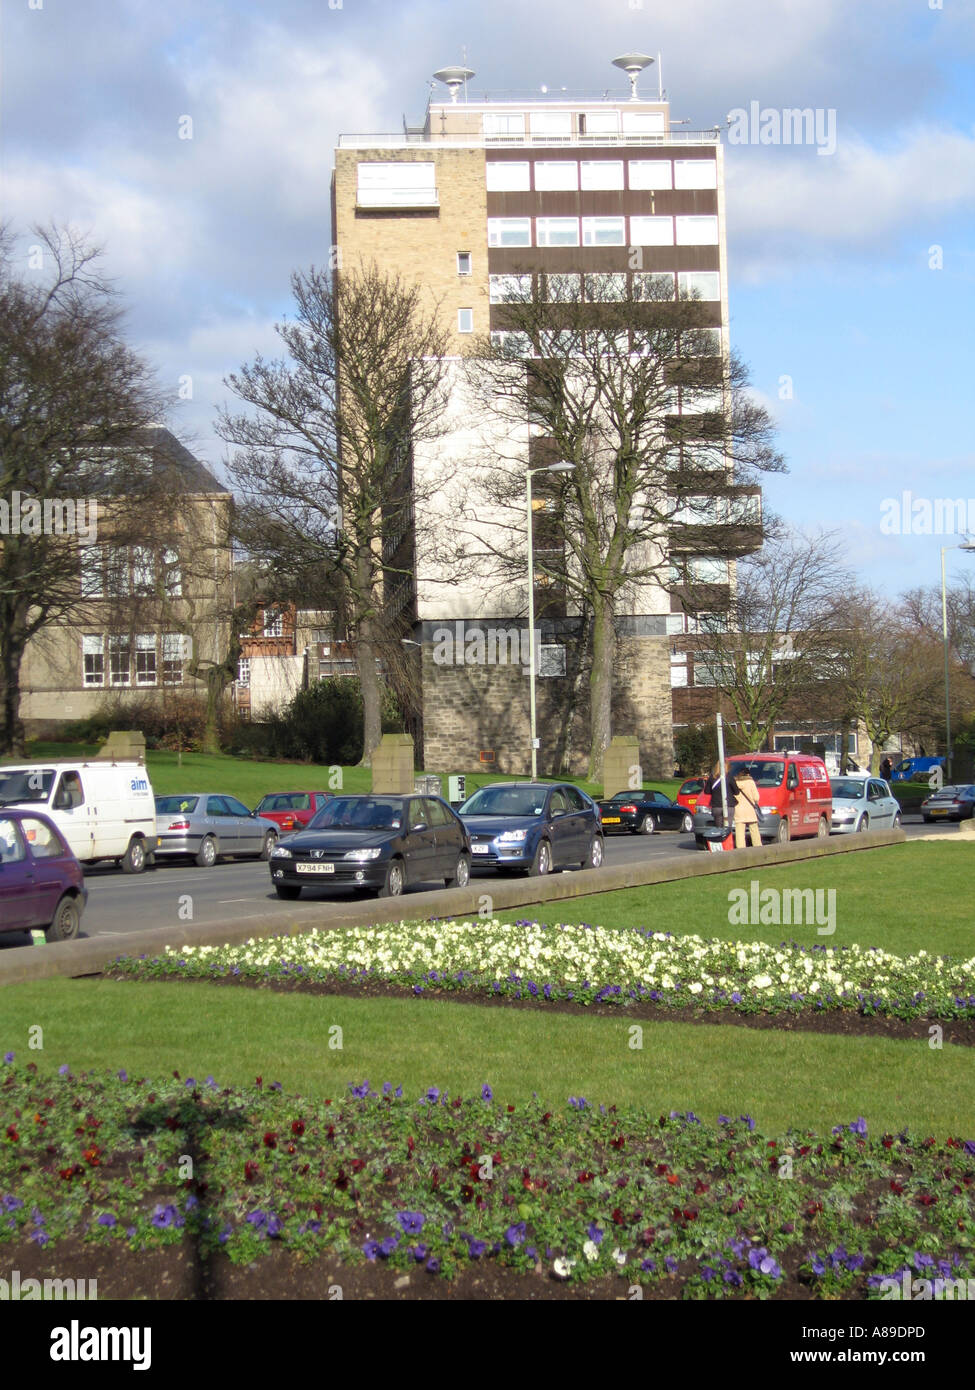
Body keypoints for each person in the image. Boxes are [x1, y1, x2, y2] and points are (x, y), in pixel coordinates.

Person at [733, 764, 762, 849]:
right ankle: (757, 847)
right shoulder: (750, 782)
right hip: (750, 809)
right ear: (748, 774)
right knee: (754, 830)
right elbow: (756, 797)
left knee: (739, 831)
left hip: (738, 809)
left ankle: (741, 848)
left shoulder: (735, 783)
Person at [707, 760, 739, 829]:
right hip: (729, 804)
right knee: (727, 827)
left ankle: (720, 839)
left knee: (718, 828)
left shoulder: (712, 777)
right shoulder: (729, 777)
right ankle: (726, 839)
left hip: (716, 805)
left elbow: (707, 791)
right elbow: (737, 792)